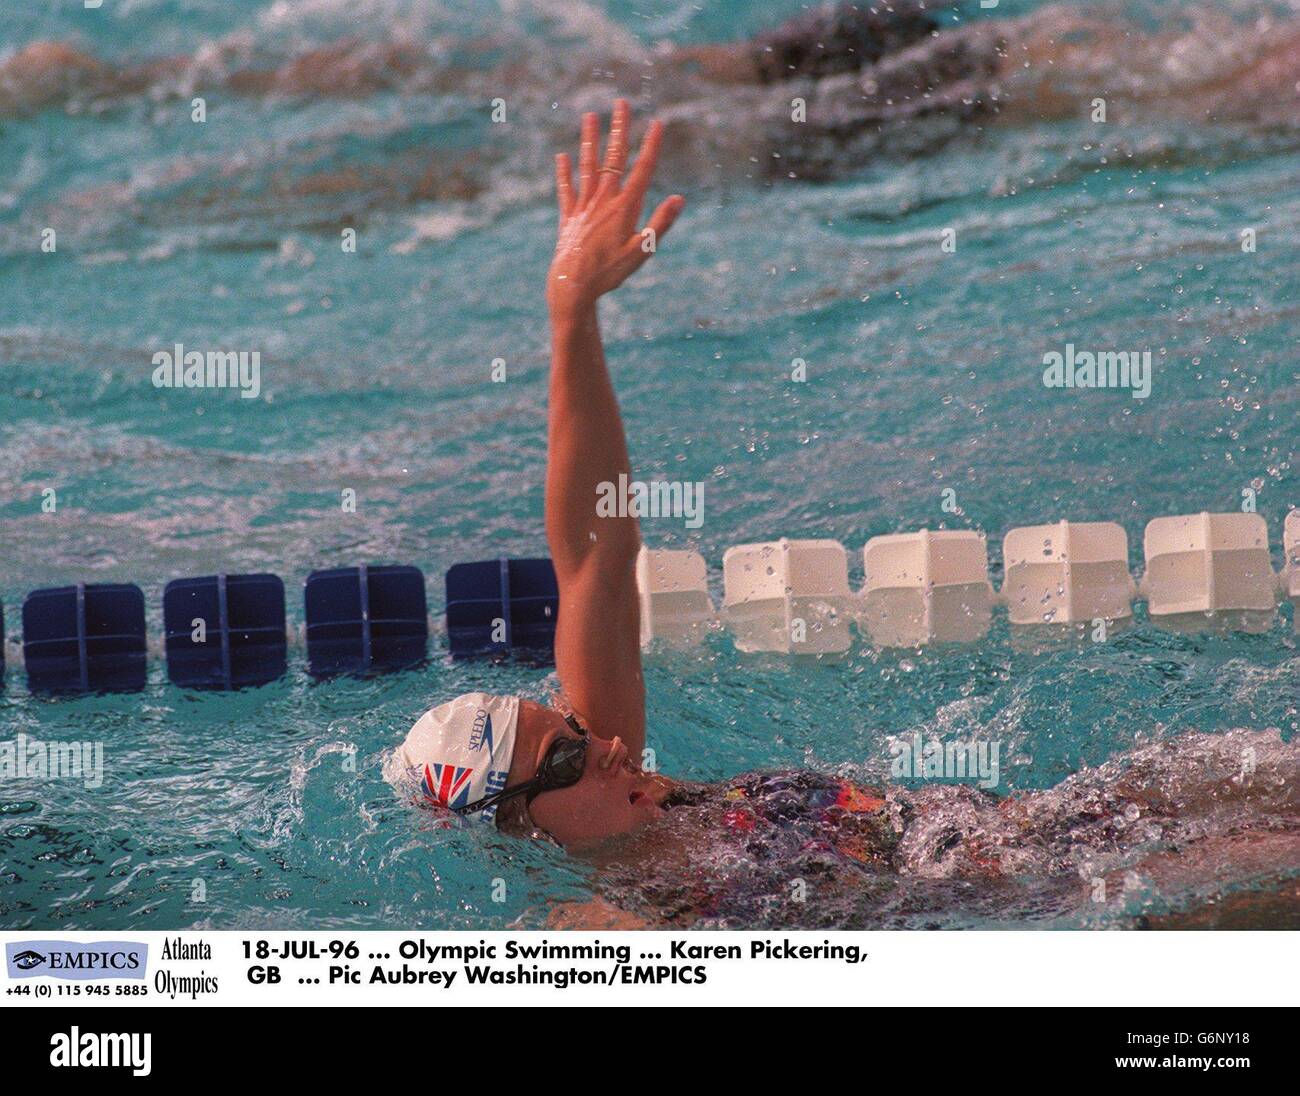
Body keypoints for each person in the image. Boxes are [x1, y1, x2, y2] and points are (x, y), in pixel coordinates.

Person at [386, 103, 1300, 930]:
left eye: (571, 731)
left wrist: (570, 313)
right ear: (509, 833)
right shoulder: (619, 923)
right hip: (1051, 899)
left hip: (1050, 825)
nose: (605, 746)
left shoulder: (632, 787)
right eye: (561, 762)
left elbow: (593, 548)